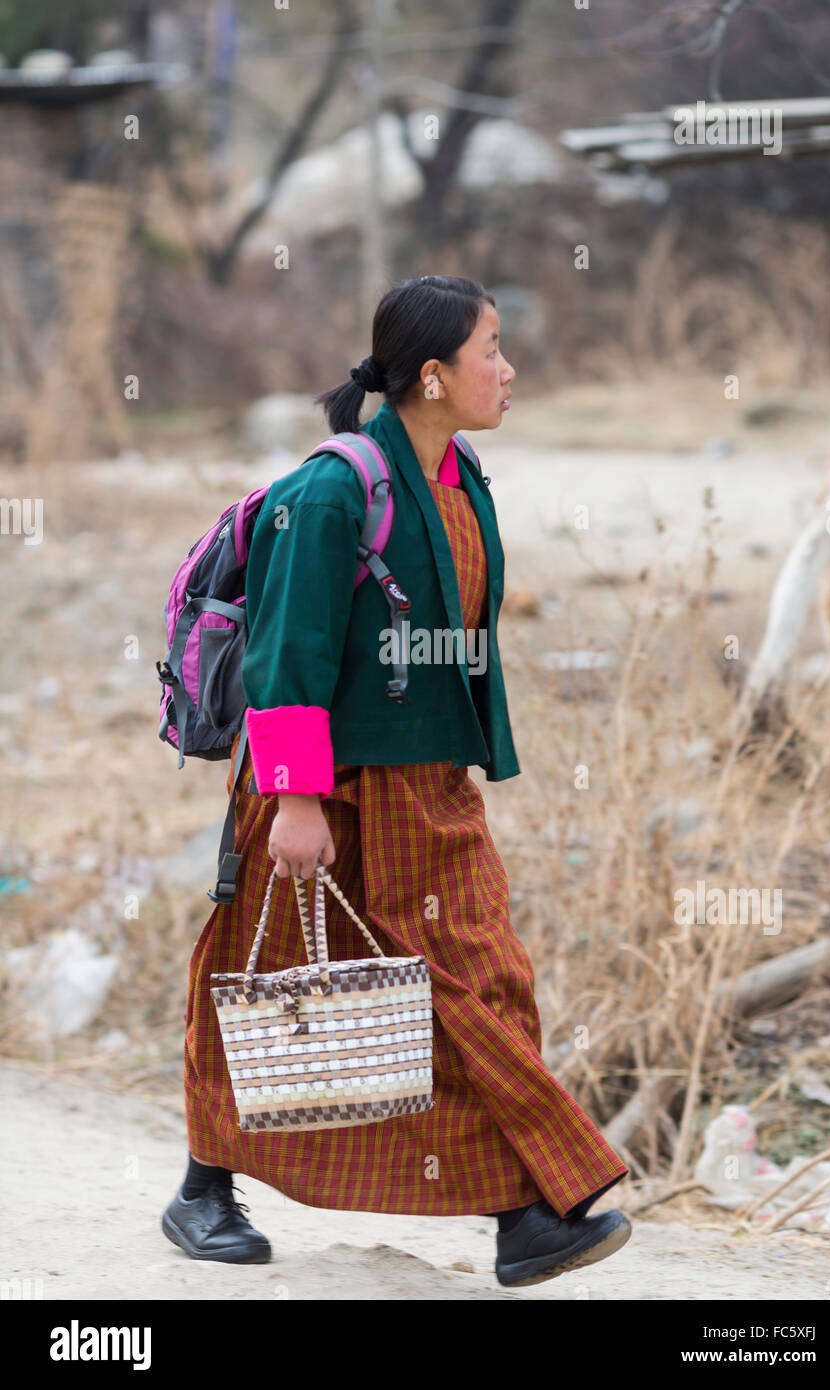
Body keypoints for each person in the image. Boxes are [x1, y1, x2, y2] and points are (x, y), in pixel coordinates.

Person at [160, 274, 631, 1289]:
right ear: (431, 375)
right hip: (325, 794)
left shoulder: (458, 475)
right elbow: (290, 648)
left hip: (431, 789)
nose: (506, 369)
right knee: (266, 985)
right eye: (490, 350)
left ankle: (522, 1210)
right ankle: (205, 1188)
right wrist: (291, 798)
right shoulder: (332, 492)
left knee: (479, 982)